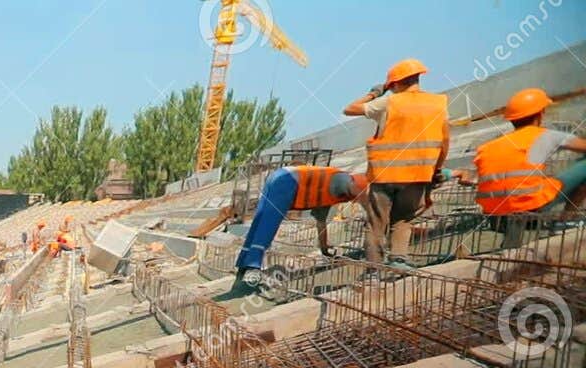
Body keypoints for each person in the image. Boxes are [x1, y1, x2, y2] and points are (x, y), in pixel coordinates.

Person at [344, 58, 449, 266]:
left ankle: (373, 270)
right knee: (404, 219)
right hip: (418, 174)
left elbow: (350, 109)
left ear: (395, 84)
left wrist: (376, 92)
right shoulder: (438, 103)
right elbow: (445, 141)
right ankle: (399, 260)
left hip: (385, 175)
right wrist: (436, 169)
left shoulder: (389, 102)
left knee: (376, 224)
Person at [462, 88, 586, 246]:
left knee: (519, 191)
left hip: (493, 212)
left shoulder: (488, 146)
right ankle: (567, 220)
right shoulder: (545, 135)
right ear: (540, 114)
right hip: (530, 206)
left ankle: (511, 242)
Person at [223, 166, 369, 297]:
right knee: (267, 227)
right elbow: (353, 188)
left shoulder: (327, 196)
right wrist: (373, 214)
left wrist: (325, 251)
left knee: (260, 223)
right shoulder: (343, 180)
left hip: (280, 176)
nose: (354, 201)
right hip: (287, 181)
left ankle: (242, 271)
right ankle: (251, 275)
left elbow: (321, 223)